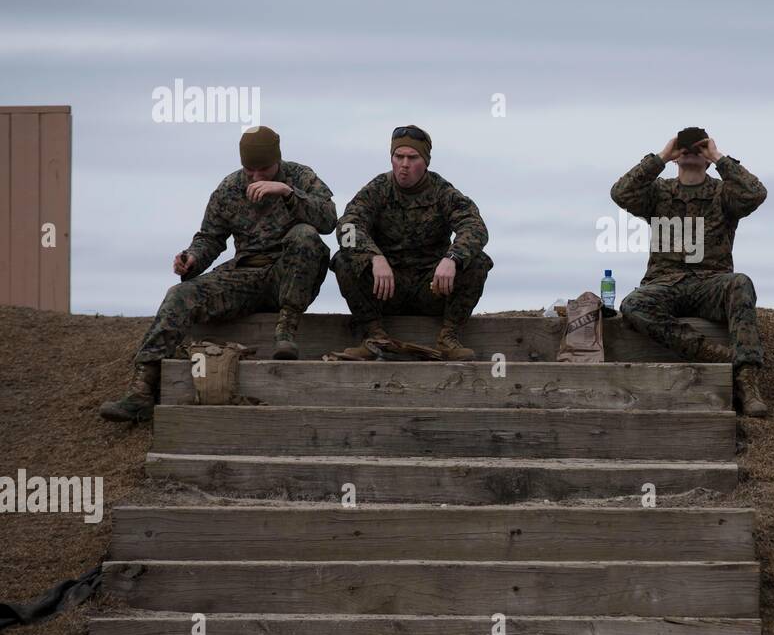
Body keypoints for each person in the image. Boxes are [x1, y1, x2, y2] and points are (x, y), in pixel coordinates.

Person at [99, 126, 336, 422]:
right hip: (245, 274)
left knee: (305, 235)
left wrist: (287, 193)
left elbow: (328, 220)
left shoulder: (300, 177)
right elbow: (210, 238)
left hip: (287, 275)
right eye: (250, 170)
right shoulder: (229, 189)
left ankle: (285, 330)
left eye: (264, 169)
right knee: (179, 295)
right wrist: (192, 258)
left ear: (278, 161)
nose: (257, 177)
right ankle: (142, 388)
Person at [610, 128, 769, 417]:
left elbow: (756, 193)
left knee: (740, 283)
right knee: (633, 304)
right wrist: (661, 156)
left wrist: (719, 157)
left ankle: (748, 384)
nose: (692, 150)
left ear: (707, 159)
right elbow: (621, 193)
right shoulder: (658, 193)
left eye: (699, 147)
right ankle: (712, 355)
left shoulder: (723, 194)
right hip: (665, 283)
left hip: (711, 282)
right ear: (676, 158)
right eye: (687, 147)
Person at [331, 126, 491, 360]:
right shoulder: (378, 189)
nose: (404, 164)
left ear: (425, 161)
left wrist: (452, 259)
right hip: (386, 287)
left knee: (477, 261)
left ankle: (448, 337)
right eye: (399, 157)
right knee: (343, 260)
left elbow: (475, 227)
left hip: (432, 288)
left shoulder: (443, 192)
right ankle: (375, 336)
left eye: (412, 157)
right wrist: (374, 257)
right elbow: (347, 227)